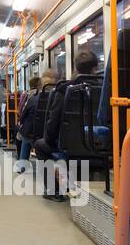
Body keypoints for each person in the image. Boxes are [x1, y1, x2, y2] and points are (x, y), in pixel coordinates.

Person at [34, 49, 102, 201]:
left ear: (76, 67)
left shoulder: (64, 90)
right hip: (99, 145)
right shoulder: (104, 90)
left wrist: (49, 140)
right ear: (96, 67)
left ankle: (54, 191)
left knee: (40, 145)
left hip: (69, 145)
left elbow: (53, 122)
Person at [17, 71, 57, 171]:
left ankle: (22, 166)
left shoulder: (33, 99)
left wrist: (21, 123)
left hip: (30, 132)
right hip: (46, 134)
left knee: (25, 140)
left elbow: (23, 116)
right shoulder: (56, 99)